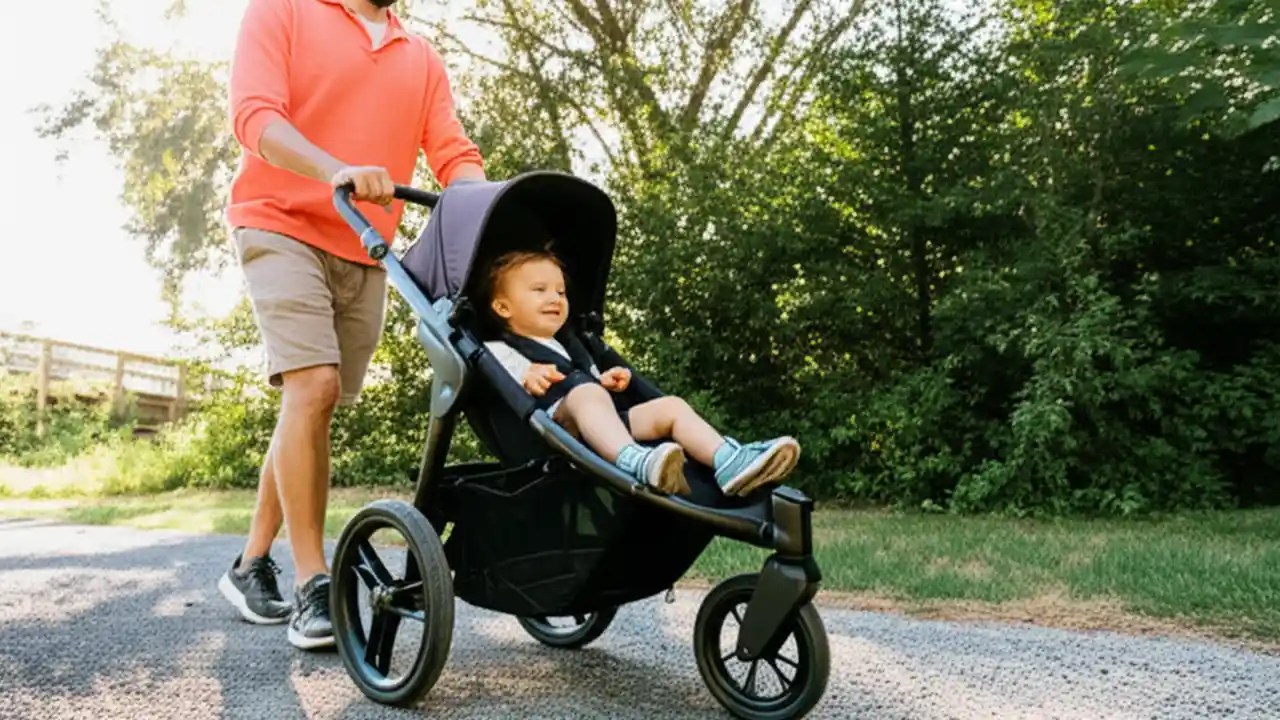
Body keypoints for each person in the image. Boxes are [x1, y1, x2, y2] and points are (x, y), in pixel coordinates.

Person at [216, 0, 485, 651]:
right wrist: (331, 167)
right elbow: (255, 117)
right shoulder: (282, 11)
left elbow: (453, 153)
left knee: (309, 406)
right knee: (313, 387)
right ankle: (315, 583)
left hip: (364, 242)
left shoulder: (418, 56)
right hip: (280, 220)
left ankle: (251, 563)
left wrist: (487, 209)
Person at [482, 249, 801, 497]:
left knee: (671, 407)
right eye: (540, 289)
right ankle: (636, 462)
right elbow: (501, 378)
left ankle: (728, 462)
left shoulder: (572, 344)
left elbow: (591, 388)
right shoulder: (500, 349)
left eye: (561, 292)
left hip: (601, 430)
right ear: (503, 308)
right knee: (586, 393)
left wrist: (609, 382)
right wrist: (527, 374)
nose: (555, 298)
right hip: (554, 436)